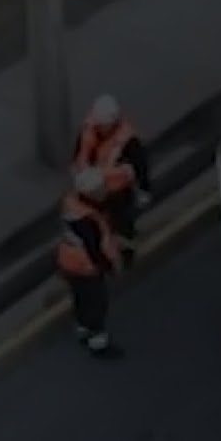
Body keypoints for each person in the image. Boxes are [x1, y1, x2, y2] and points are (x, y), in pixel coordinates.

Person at [71, 94, 151, 267]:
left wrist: (144, 188)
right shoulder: (88, 130)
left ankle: (127, 253)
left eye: (104, 126)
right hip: (91, 187)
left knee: (121, 221)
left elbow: (140, 164)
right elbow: (79, 156)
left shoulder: (127, 140)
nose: (101, 129)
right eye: (99, 125)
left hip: (117, 190)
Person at [56, 168, 124, 358]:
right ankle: (97, 341)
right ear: (90, 194)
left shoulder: (72, 204)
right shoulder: (87, 219)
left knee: (80, 298)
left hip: (67, 260)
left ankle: (83, 327)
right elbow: (94, 250)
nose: (104, 191)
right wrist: (110, 268)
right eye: (99, 189)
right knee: (96, 302)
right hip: (85, 266)